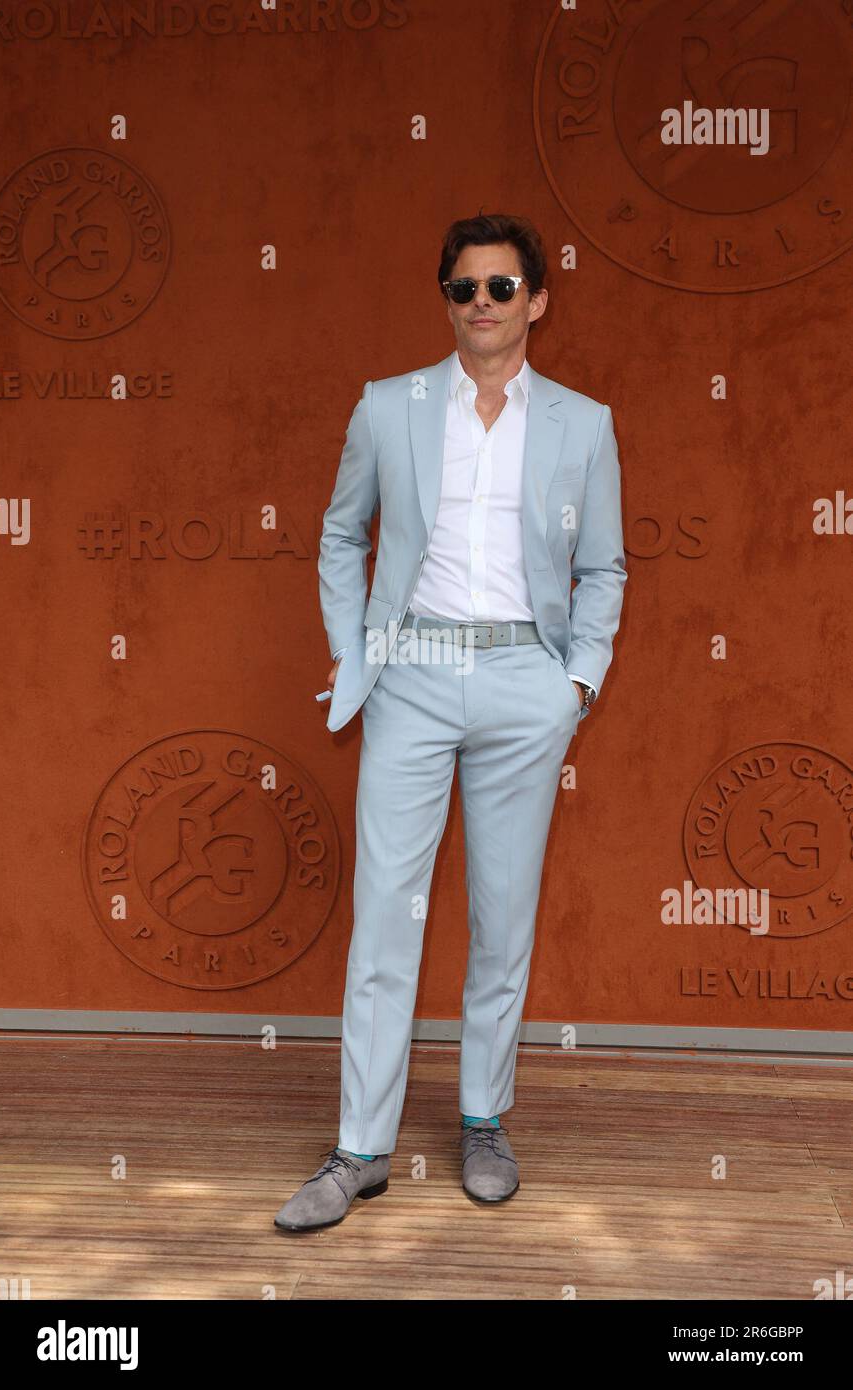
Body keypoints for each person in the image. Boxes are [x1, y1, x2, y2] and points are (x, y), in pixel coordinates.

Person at [274, 212, 626, 1232]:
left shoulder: (582, 422)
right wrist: (358, 657)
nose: (482, 304)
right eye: (464, 288)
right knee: (386, 912)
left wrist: (575, 685)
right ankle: (358, 1149)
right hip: (412, 676)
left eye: (501, 287)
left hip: (526, 678)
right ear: (446, 301)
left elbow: (602, 565)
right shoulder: (389, 407)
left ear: (537, 301)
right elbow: (340, 537)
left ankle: (482, 1117)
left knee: (500, 913)